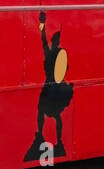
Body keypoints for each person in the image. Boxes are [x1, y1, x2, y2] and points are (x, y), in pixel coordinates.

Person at [24, 11, 74, 161]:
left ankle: (45, 136)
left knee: (44, 112)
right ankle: (55, 140)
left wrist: (42, 25)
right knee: (54, 115)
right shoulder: (59, 52)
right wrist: (43, 25)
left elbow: (43, 40)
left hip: (51, 86)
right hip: (56, 86)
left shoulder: (52, 52)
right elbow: (65, 67)